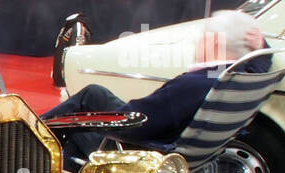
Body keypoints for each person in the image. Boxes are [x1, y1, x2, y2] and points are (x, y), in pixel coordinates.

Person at [45, 10, 272, 164]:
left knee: (86, 103)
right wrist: (253, 39)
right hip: (196, 154)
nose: (196, 43)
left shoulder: (193, 84)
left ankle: (30, 132)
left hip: (148, 156)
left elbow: (137, 123)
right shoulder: (243, 76)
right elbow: (264, 58)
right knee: (88, 105)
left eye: (202, 38)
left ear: (214, 42)